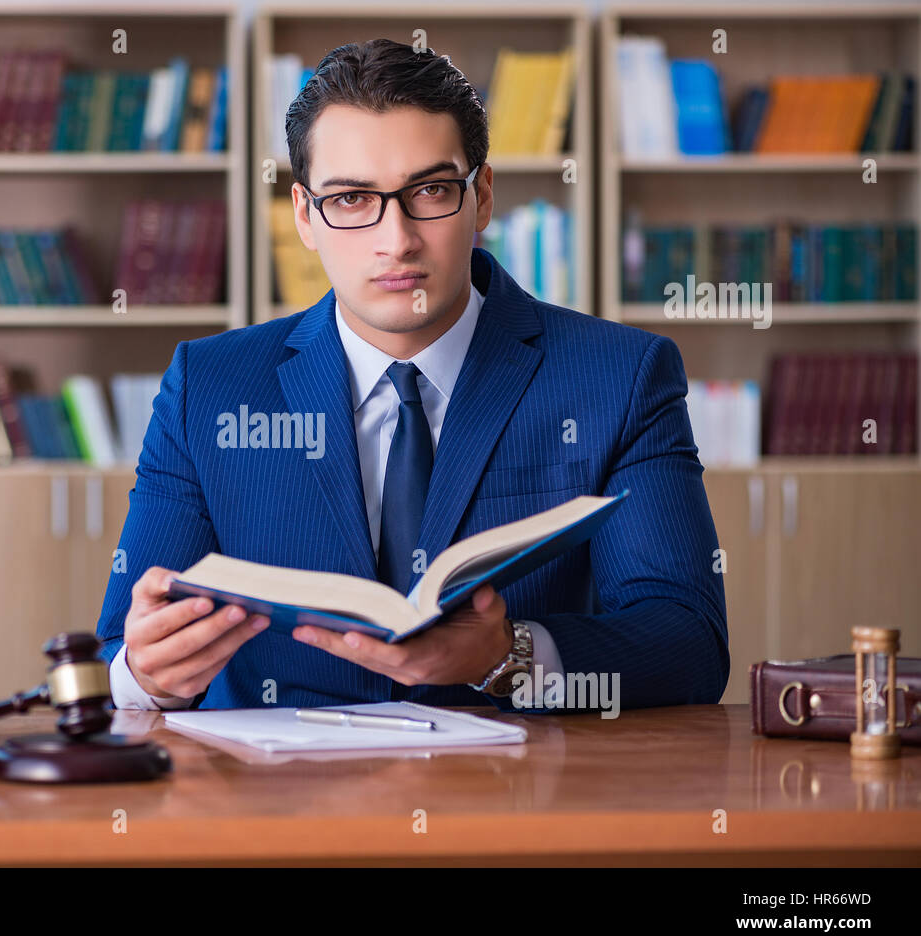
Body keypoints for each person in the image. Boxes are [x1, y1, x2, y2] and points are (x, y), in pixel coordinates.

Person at [95, 38, 728, 711]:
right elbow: (119, 657)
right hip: (278, 800)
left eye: (430, 190)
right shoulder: (210, 387)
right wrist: (149, 675)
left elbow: (688, 643)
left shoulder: (620, 376)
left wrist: (507, 655)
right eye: (350, 198)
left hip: (513, 798)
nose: (395, 239)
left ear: (481, 197)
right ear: (305, 215)